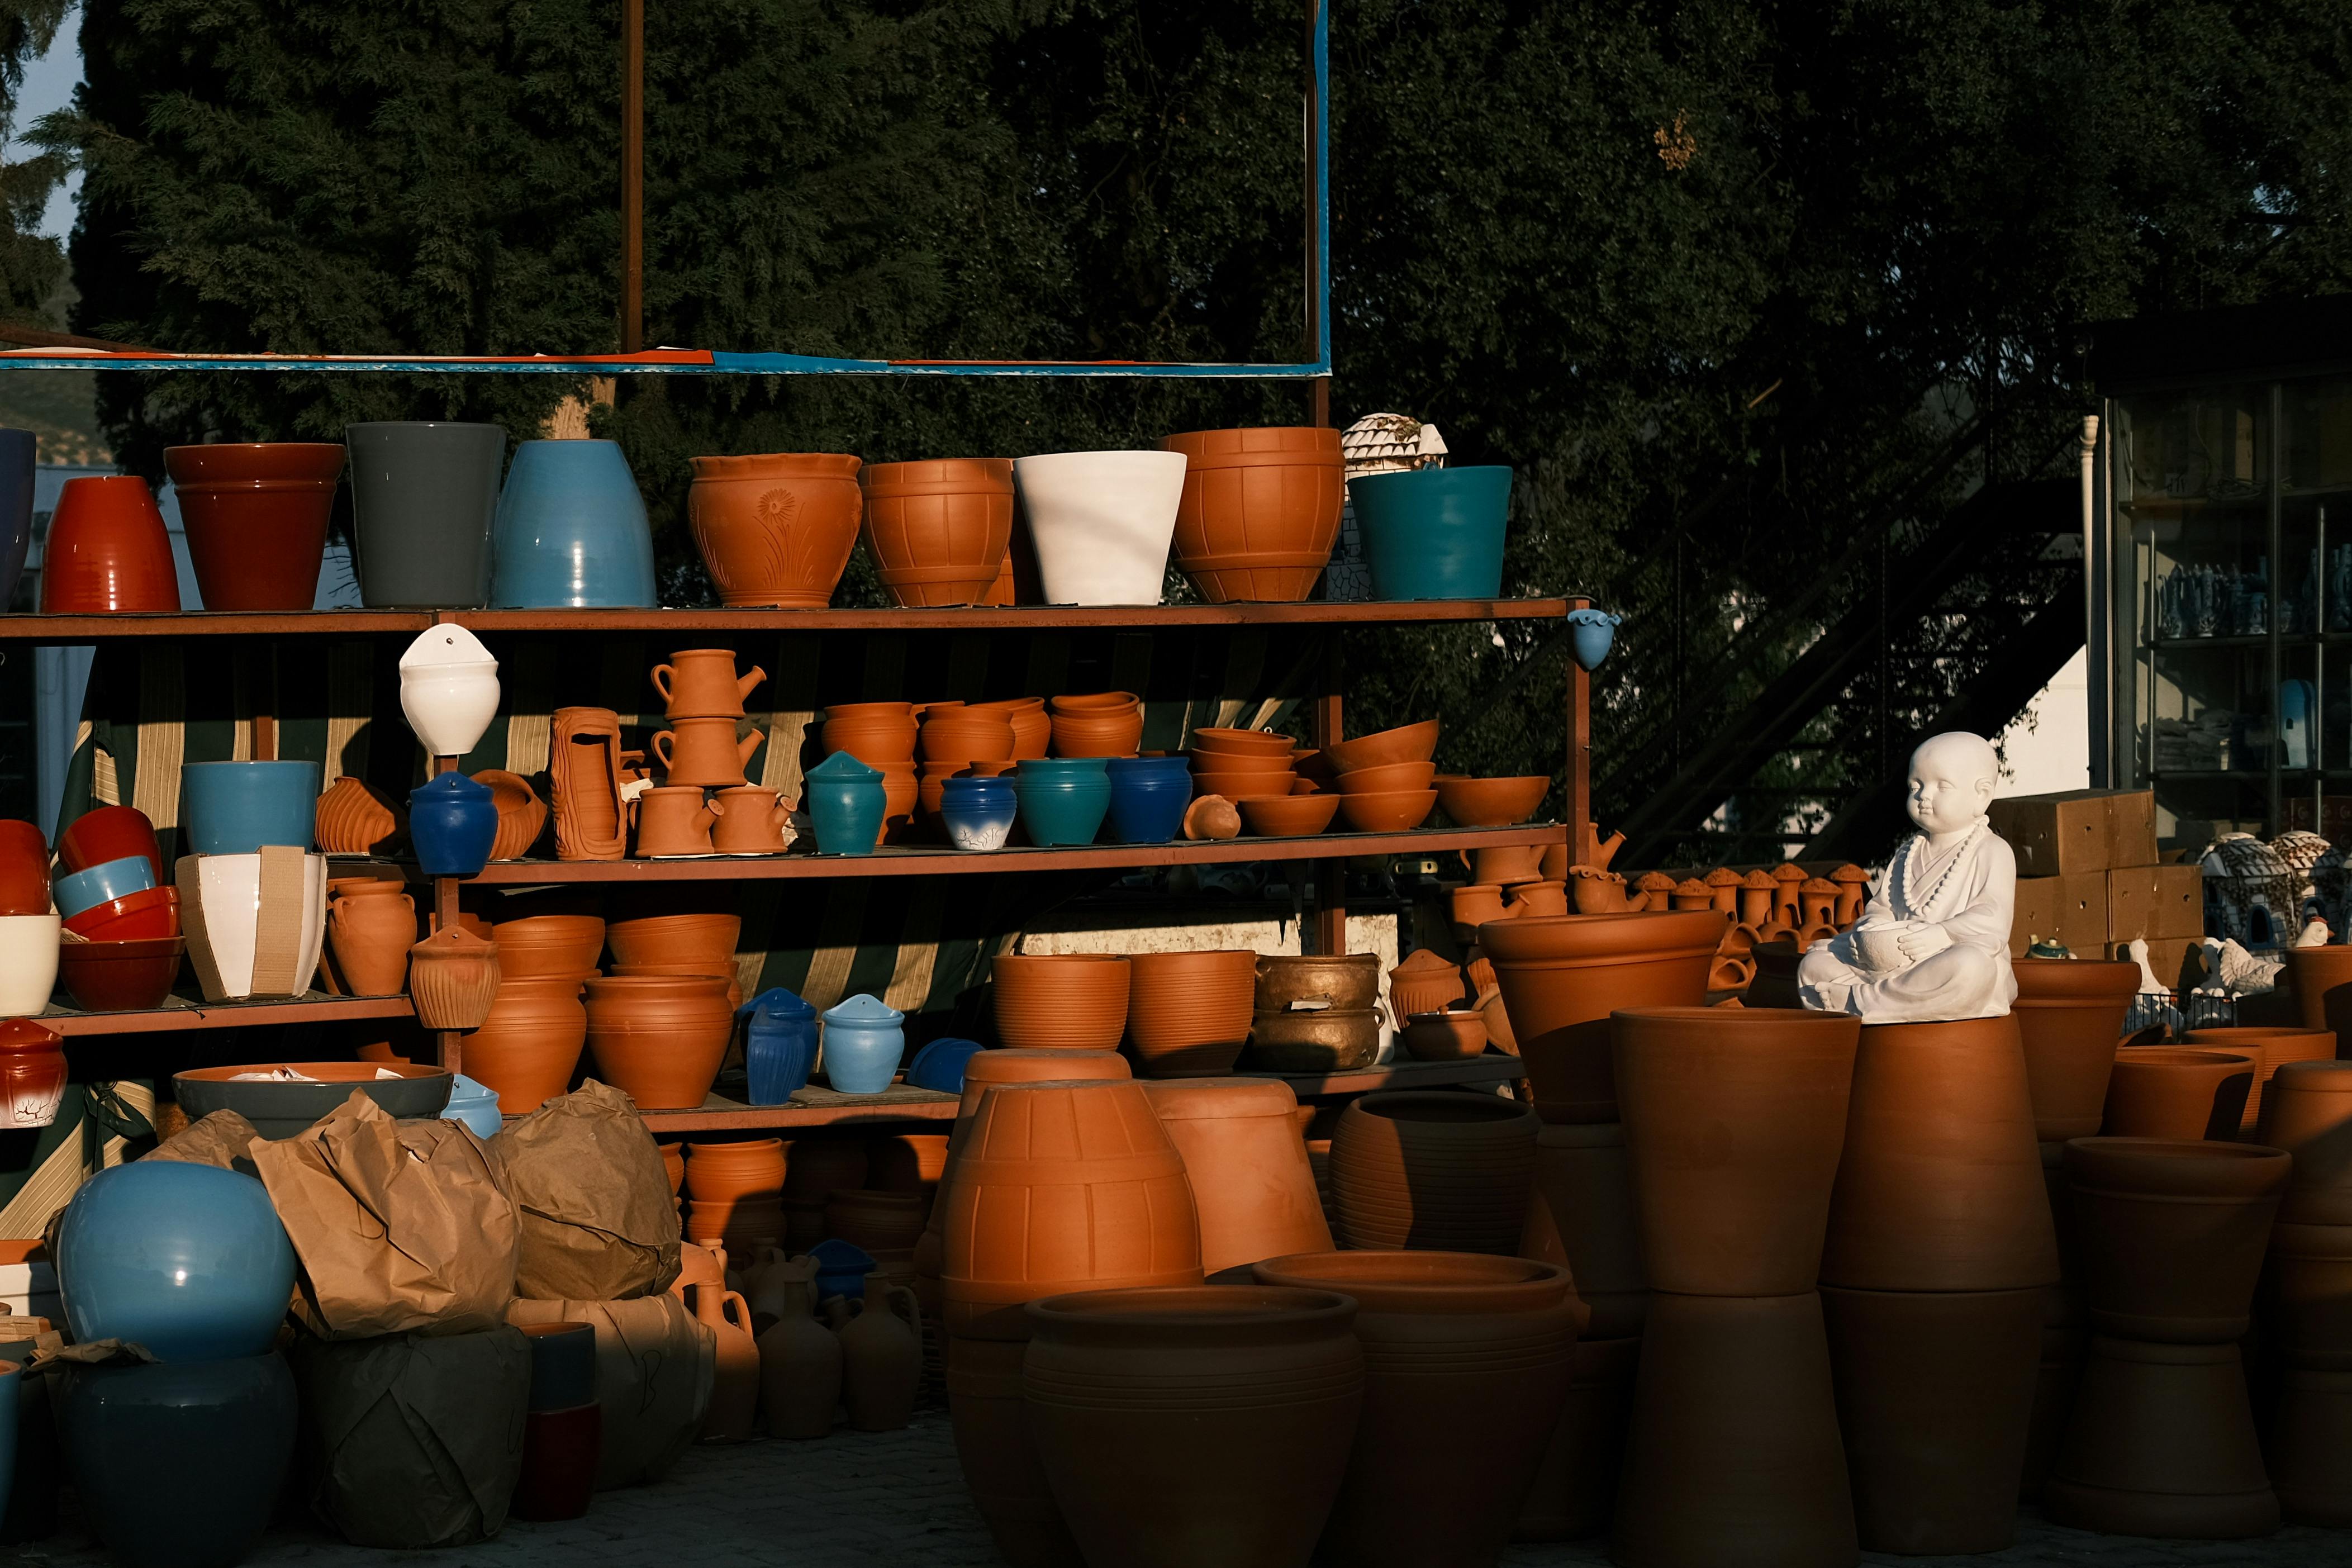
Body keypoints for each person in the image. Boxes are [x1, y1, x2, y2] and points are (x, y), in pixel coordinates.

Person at [1797, 731, 2017, 1023]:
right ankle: (1878, 1000)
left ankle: (1858, 1000)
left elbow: (1993, 918)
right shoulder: (1908, 852)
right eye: (1916, 786)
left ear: (1982, 795)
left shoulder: (1991, 850)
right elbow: (1883, 906)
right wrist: (1872, 929)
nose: (1923, 796)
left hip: (1942, 959)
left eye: (1942, 786)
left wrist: (1943, 934)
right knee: (1814, 963)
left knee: (1971, 967)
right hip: (1892, 961)